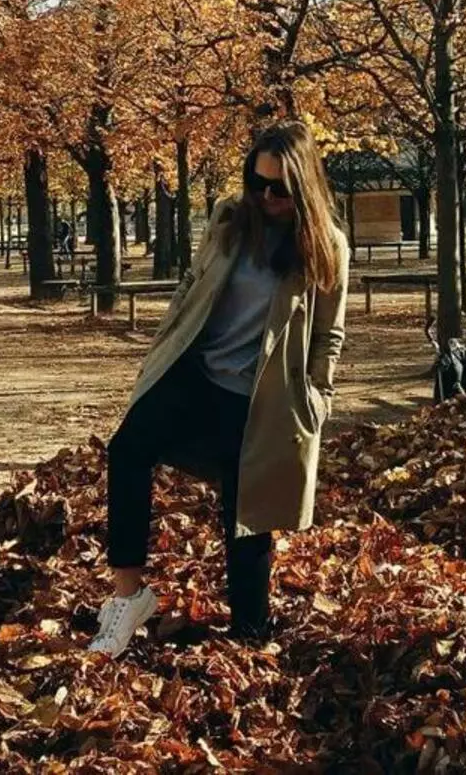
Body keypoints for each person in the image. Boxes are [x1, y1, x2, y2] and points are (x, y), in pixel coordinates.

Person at [88, 121, 349, 659]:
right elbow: (194, 280)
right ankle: (128, 595)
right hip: (194, 373)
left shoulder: (327, 248)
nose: (266, 197)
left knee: (245, 511)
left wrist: (318, 400)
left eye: (279, 188)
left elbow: (330, 334)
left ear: (304, 187)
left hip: (259, 399)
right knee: (129, 449)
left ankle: (251, 633)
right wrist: (167, 332)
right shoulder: (230, 219)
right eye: (258, 183)